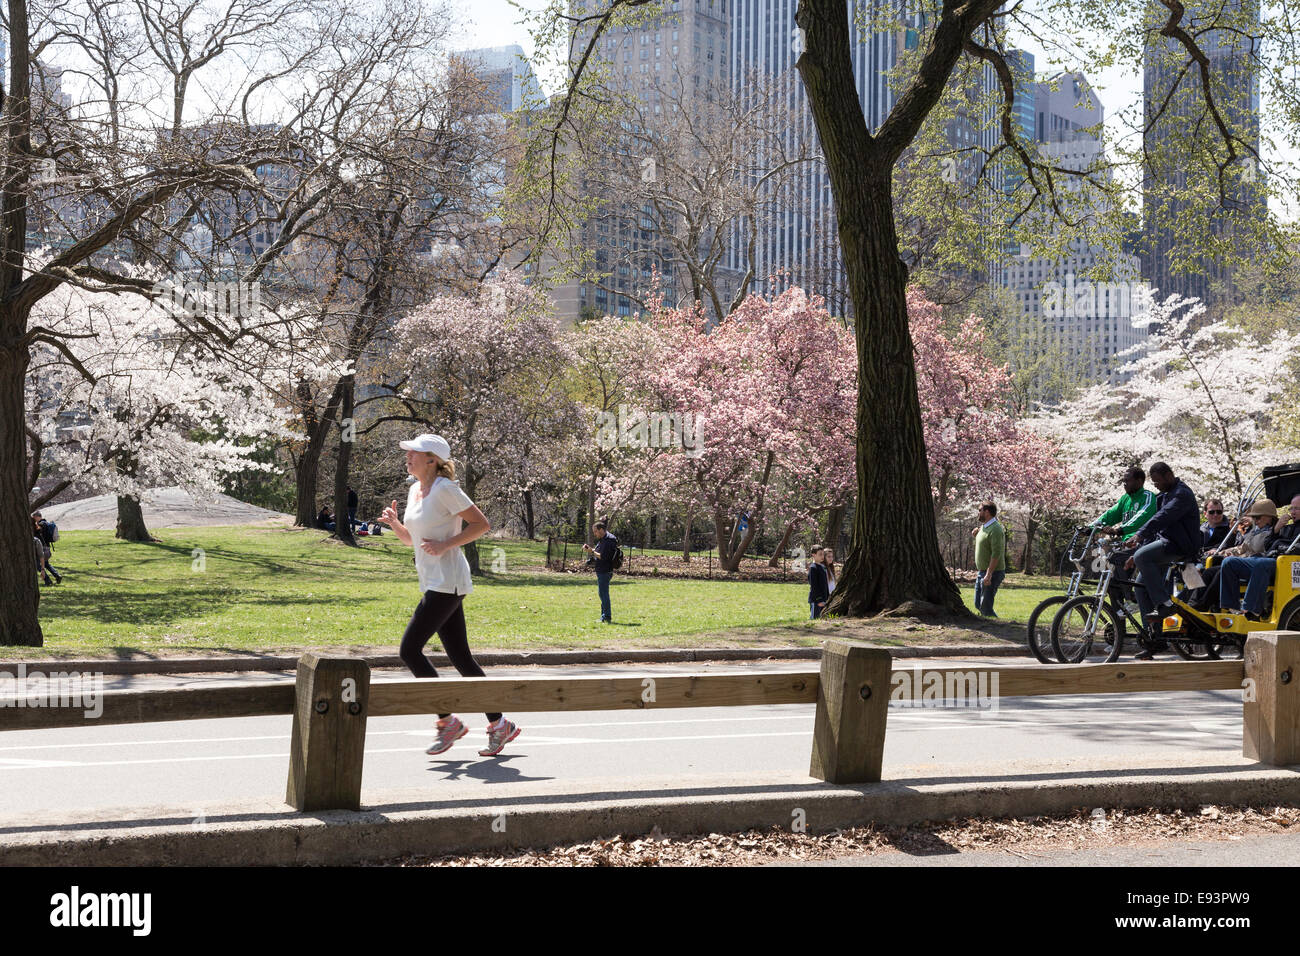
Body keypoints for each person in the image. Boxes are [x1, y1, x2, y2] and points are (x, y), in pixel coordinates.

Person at [380, 432, 521, 758]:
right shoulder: (416, 490)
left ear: (432, 460)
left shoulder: (446, 489)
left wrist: (446, 545)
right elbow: (413, 541)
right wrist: (396, 525)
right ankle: (500, 725)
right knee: (461, 659)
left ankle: (447, 720)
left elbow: (481, 524)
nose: (408, 456)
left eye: (414, 452)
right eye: (408, 451)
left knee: (409, 650)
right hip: (434, 582)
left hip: (448, 582)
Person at [1124, 461, 1200, 658]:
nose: (1155, 485)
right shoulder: (1164, 495)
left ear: (1168, 475)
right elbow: (1157, 529)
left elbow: (1164, 517)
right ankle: (1155, 640)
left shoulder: (1182, 494)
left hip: (1181, 546)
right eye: (1154, 482)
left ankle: (1164, 604)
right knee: (1140, 587)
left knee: (1143, 557)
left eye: (1157, 481)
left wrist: (1140, 535)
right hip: (1166, 544)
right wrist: (1138, 550)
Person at [1219, 495, 1300, 620]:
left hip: (1285, 563)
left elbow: (1294, 548)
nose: (1292, 512)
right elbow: (1267, 545)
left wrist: (1279, 548)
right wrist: (1277, 529)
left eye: (1296, 509)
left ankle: (1251, 609)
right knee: (1229, 562)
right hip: (1270, 559)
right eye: (1291, 508)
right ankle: (1231, 607)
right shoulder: (1286, 527)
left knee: (1261, 563)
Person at [1093, 466, 1158, 543]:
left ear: (1139, 481)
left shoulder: (1147, 496)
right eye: (1124, 481)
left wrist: (1119, 530)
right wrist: (1091, 527)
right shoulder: (1125, 499)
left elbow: (1142, 516)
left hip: (1143, 541)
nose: (1124, 484)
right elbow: (1110, 515)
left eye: (1127, 481)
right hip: (1126, 542)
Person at [973, 501, 1006, 617]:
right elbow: (984, 544)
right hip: (982, 572)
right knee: (978, 604)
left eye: (979, 510)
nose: (978, 513)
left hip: (993, 572)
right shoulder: (984, 527)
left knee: (985, 608)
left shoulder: (996, 529)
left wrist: (989, 574)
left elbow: (996, 554)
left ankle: (999, 629)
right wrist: (976, 535)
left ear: (987, 512)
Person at [582, 521, 618, 623]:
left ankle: (606, 616)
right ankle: (604, 616)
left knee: (603, 594)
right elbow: (599, 552)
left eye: (596, 531)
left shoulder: (609, 540)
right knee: (602, 593)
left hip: (605, 570)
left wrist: (591, 551)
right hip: (602, 569)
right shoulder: (603, 539)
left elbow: (603, 556)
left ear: (601, 530)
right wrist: (591, 550)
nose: (595, 534)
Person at [32, 513, 61, 585]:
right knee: (46, 564)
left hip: (42, 547)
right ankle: (57, 575)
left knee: (38, 565)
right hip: (46, 546)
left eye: (34, 517)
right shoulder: (46, 523)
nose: (33, 519)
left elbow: (37, 531)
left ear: (37, 517)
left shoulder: (42, 524)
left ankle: (47, 580)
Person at [807, 545, 829, 618]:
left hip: (824, 598)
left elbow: (825, 584)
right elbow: (814, 586)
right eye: (820, 554)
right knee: (815, 618)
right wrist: (819, 600)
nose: (822, 556)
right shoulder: (813, 568)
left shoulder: (823, 567)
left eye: (823, 554)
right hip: (816, 600)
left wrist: (827, 597)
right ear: (814, 555)